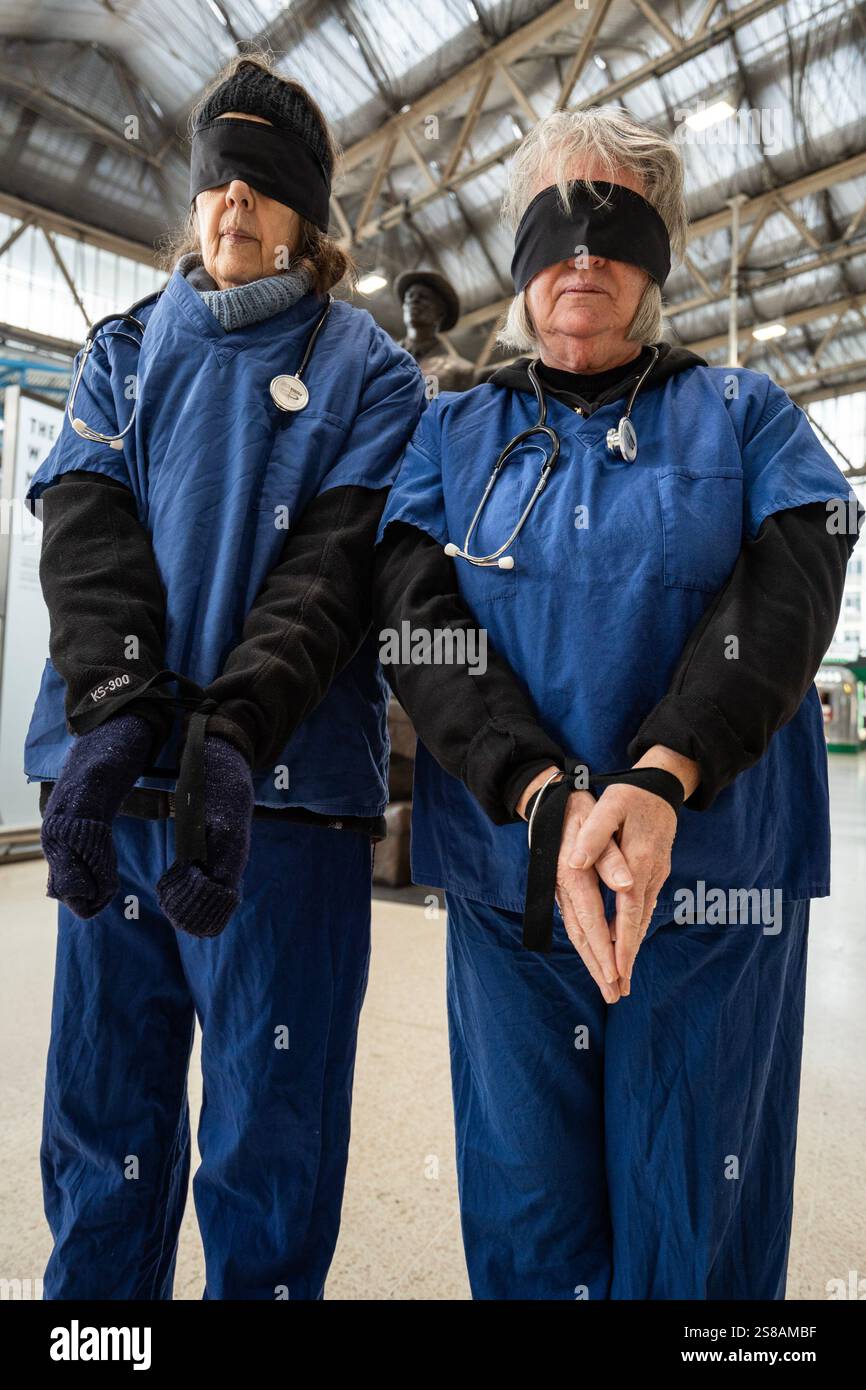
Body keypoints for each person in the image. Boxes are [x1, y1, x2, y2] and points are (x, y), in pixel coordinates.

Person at [373, 106, 861, 1300]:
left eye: (612, 225)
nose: (578, 255)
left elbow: (796, 574)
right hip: (511, 887)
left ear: (658, 258)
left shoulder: (743, 415)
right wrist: (534, 785)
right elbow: (409, 609)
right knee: (530, 1216)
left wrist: (659, 771)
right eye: (552, 225)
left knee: (695, 1220)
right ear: (519, 263)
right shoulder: (453, 432)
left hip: (712, 888)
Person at [24, 55, 424, 1300]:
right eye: (215, 180)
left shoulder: (371, 371)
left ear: (307, 216)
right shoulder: (122, 351)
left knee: (268, 1144)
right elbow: (88, 544)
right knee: (102, 1132)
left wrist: (237, 733)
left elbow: (329, 578)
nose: (233, 201)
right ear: (193, 205)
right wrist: (113, 718)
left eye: (261, 181)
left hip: (280, 810)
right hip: (123, 792)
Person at [396, 269, 477, 392]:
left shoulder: (461, 369)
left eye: (423, 297)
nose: (414, 300)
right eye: (410, 296)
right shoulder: (383, 355)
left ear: (441, 312)